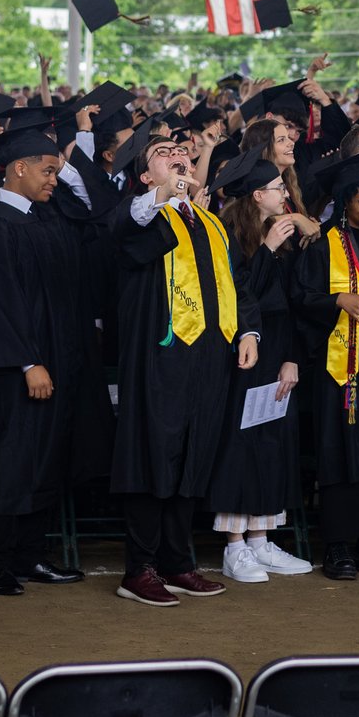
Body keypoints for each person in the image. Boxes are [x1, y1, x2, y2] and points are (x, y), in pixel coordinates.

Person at [107, 128, 259, 607]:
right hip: (159, 357)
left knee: (193, 457)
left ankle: (178, 562)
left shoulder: (211, 224)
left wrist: (250, 332)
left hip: (210, 359)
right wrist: (161, 197)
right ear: (143, 172)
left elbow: (237, 284)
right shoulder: (141, 216)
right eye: (161, 154)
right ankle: (141, 568)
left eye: (181, 153)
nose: (177, 157)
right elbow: (128, 231)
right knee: (154, 455)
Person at [0, 115, 106, 597]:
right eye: (48, 170)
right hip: (25, 370)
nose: (54, 178)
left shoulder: (45, 218)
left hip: (61, 363)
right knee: (16, 460)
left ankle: (30, 555)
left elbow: (91, 212)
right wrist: (29, 363)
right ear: (18, 168)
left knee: (48, 461)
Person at [207, 149, 320, 582]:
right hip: (241, 352)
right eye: (277, 188)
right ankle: (234, 546)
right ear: (257, 195)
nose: (285, 194)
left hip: (277, 353)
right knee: (241, 445)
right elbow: (239, 297)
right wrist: (268, 251)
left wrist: (292, 357)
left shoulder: (284, 235)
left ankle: (261, 538)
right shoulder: (229, 234)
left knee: (273, 442)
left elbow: (292, 304)